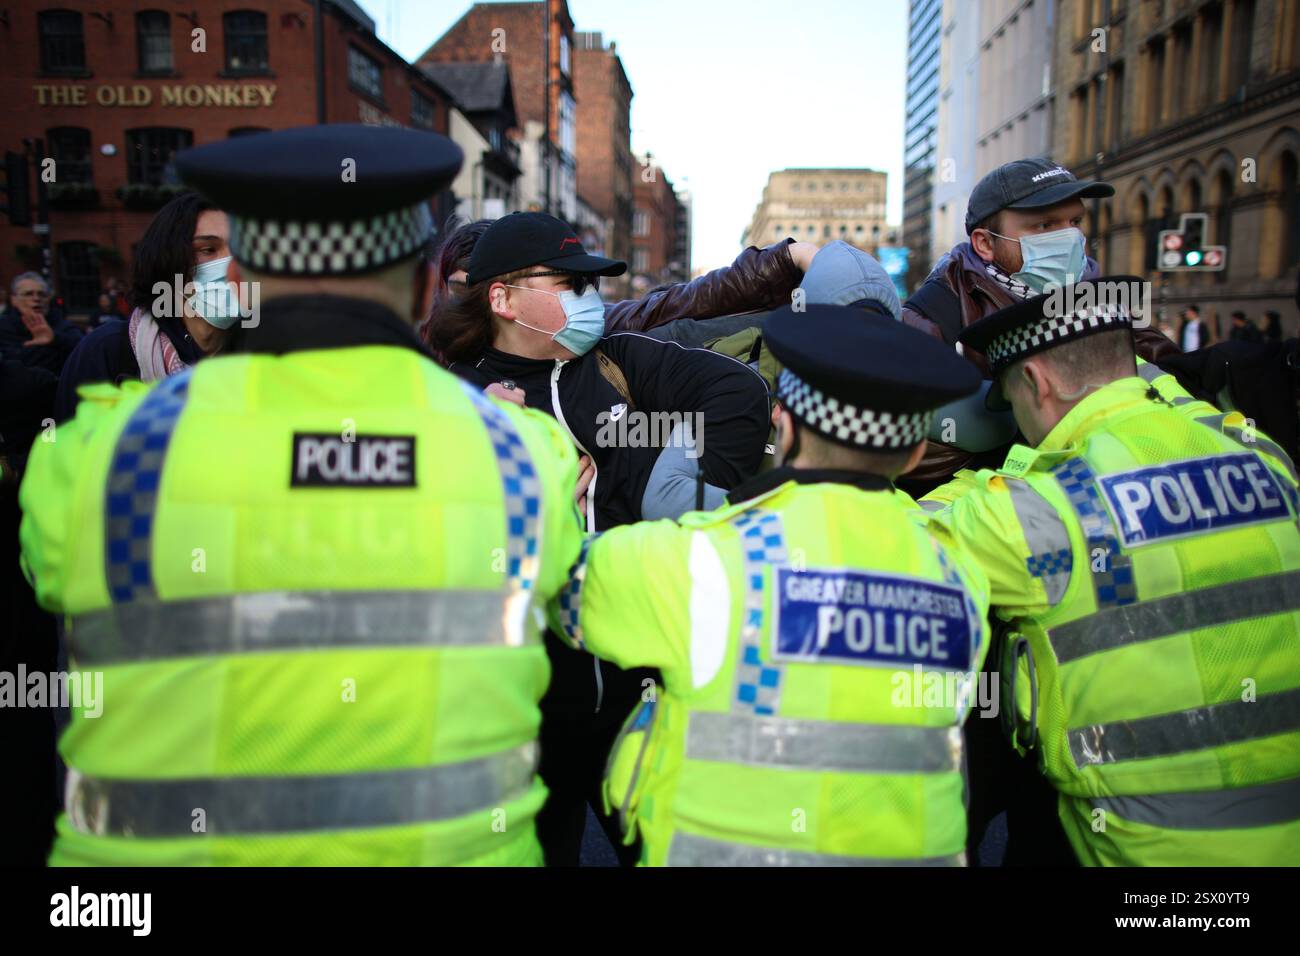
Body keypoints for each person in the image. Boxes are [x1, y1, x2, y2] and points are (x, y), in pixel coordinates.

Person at [19, 123, 584, 866]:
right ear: (422, 284)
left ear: (243, 279)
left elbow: (51, 579)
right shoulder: (520, 458)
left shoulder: (101, 457)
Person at [548, 303, 991, 866]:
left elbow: (558, 585)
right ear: (916, 452)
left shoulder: (704, 560)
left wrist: (551, 492)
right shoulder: (959, 575)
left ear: (781, 423)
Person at [434, 210, 773, 866]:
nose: (590, 301)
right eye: (568, 284)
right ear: (501, 298)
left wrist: (648, 476)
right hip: (521, 708)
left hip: (634, 695)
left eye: (591, 286)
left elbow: (738, 393)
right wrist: (515, 464)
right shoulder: (453, 398)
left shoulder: (622, 364)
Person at [924, 277, 1300, 866]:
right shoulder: (1266, 461)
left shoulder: (1038, 516)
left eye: (1012, 401)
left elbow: (891, 548)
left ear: (1036, 383)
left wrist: (983, 478)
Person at [899, 158, 1179, 497]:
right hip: (991, 522)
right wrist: (1006, 423)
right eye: (1044, 226)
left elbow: (1170, 378)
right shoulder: (933, 314)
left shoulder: (1105, 298)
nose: (1069, 238)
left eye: (1075, 221)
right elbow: (898, 452)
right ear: (985, 243)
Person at [425, 216, 817, 360]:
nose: (473, 302)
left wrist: (785, 259)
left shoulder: (584, 333)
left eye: (581, 285)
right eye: (463, 290)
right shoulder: (417, 370)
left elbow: (683, 301)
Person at [52, 193, 235, 422]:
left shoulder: (270, 355)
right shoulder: (108, 351)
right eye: (207, 250)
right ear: (168, 259)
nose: (231, 265)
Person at [0, 273, 83, 375]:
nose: (36, 299)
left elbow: (83, 350)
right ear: (14, 300)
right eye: (28, 294)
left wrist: (55, 338)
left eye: (42, 294)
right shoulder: (3, 327)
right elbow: (12, 364)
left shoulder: (62, 324)